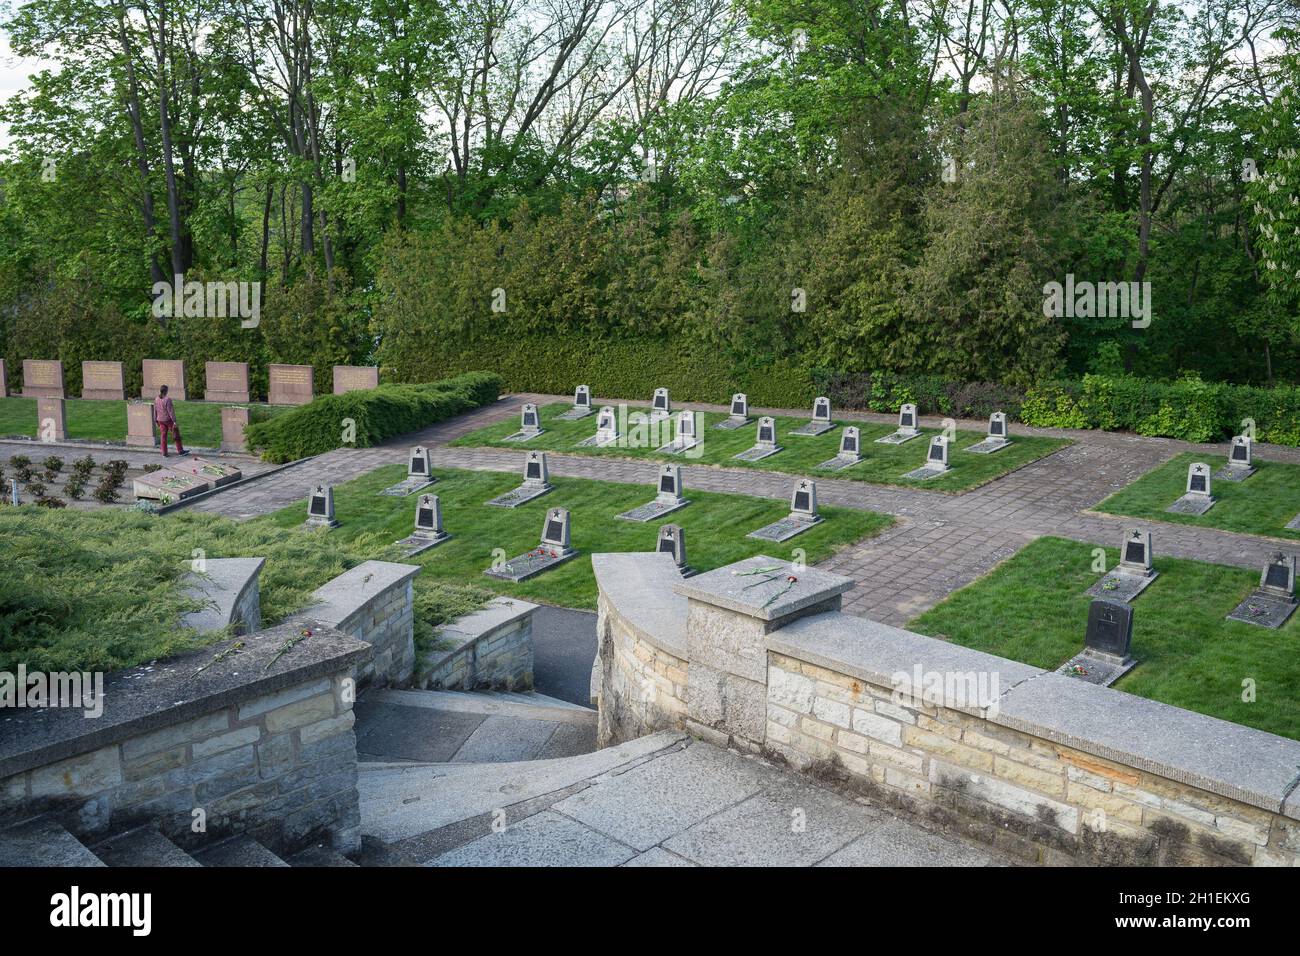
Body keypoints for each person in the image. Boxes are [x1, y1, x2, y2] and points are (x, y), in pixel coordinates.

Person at [153, 384, 186, 457]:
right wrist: (174, 421)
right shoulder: (168, 399)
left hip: (160, 420)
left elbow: (155, 410)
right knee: (176, 434)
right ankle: (180, 451)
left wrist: (155, 420)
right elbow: (170, 411)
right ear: (166, 391)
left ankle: (164, 453)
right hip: (168, 420)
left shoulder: (156, 399)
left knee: (163, 436)